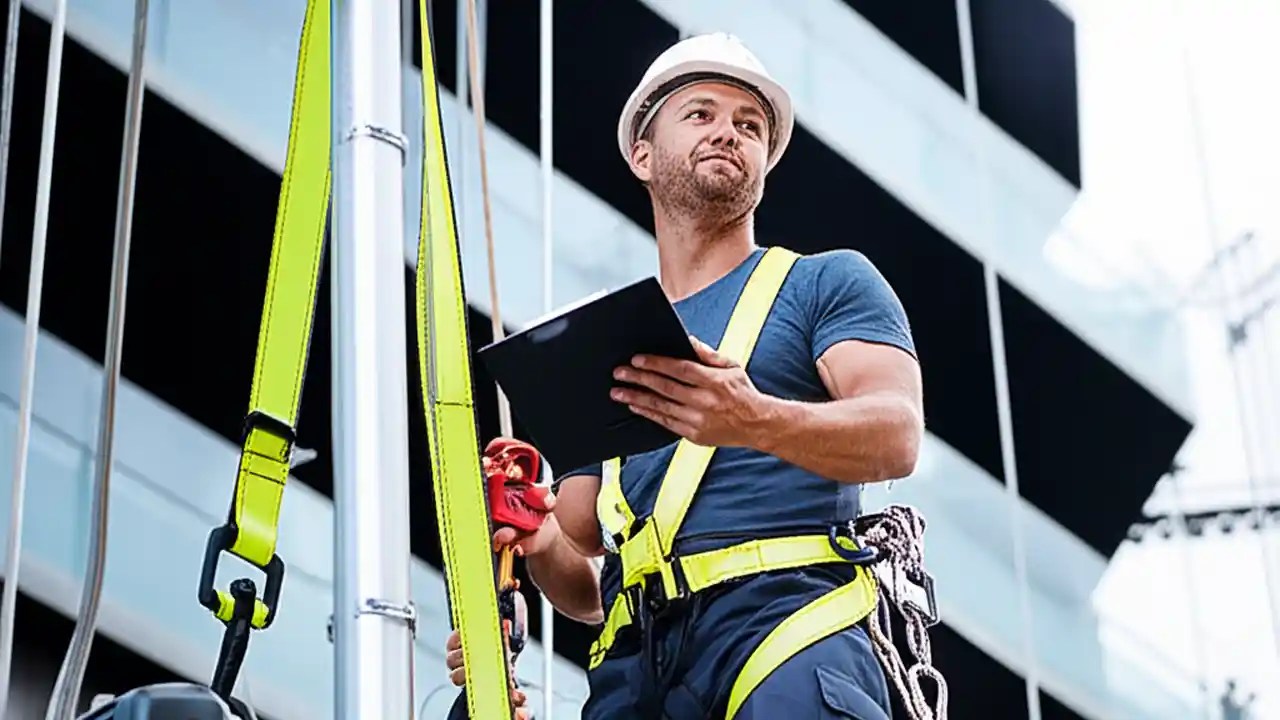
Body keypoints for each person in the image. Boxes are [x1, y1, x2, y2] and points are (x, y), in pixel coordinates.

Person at [446, 32, 923, 719]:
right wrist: (538, 533)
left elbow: (897, 436)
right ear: (643, 154)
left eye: (749, 125)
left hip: (784, 633)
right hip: (637, 672)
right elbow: (585, 573)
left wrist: (754, 418)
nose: (729, 132)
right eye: (700, 114)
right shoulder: (602, 341)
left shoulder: (824, 283)